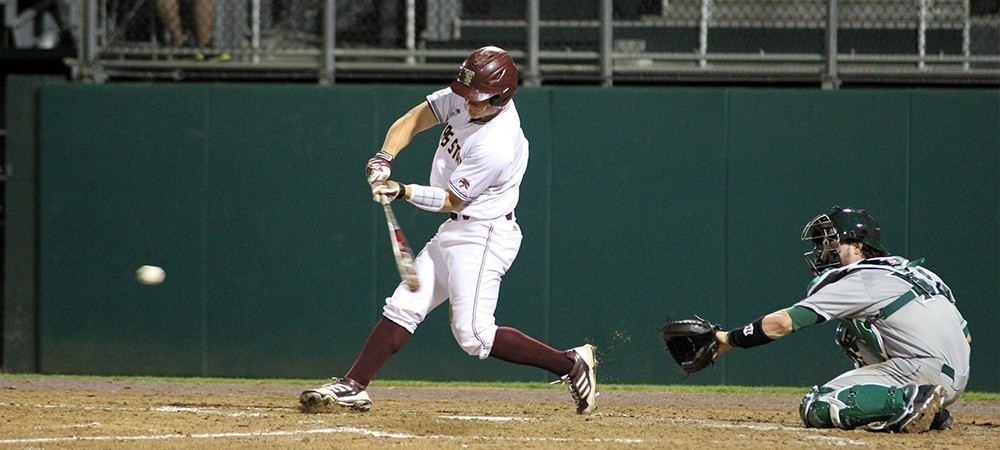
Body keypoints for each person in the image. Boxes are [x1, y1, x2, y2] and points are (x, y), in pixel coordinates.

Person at [299, 46, 598, 415]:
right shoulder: (464, 98)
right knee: (405, 304)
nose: (468, 104)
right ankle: (353, 384)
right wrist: (384, 158)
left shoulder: (498, 143)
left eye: (478, 100)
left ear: (502, 98)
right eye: (467, 95)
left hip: (485, 234)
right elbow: (413, 119)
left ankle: (571, 364)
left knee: (474, 335)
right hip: (457, 231)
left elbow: (451, 200)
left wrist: (402, 190)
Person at [712, 206, 970, 433]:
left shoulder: (861, 278)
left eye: (832, 243)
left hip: (922, 372)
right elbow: (965, 336)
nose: (825, 252)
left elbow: (784, 323)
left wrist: (727, 339)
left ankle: (909, 399)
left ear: (858, 246)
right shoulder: (917, 271)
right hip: (958, 375)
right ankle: (928, 407)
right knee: (849, 333)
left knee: (818, 404)